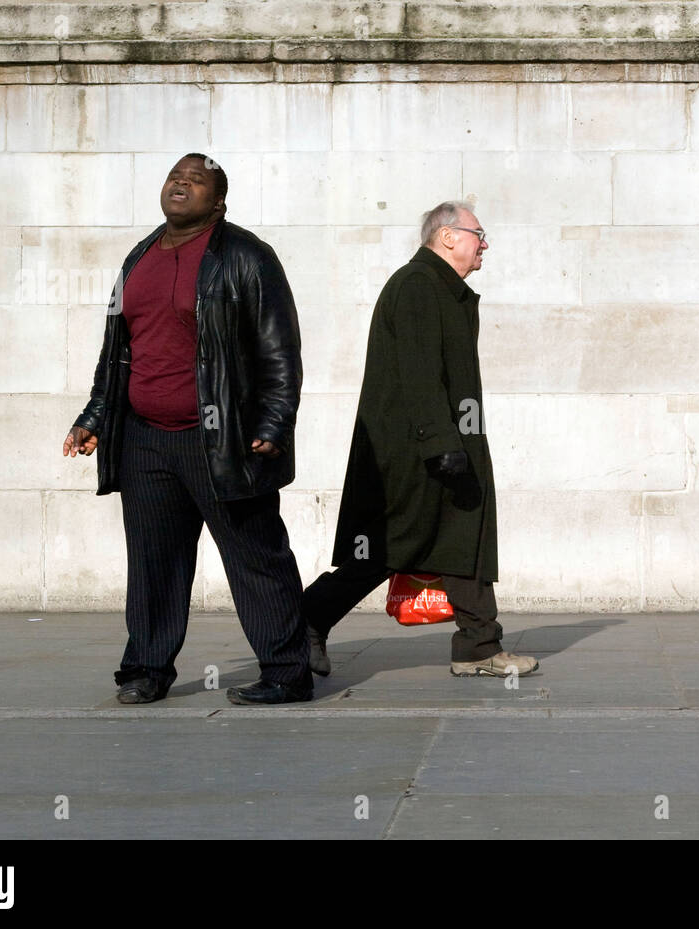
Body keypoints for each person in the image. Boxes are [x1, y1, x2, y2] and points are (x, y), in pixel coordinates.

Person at [62, 153, 313, 704]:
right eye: (176, 176)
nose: (182, 183)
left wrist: (273, 423)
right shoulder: (140, 256)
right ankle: (145, 670)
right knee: (153, 561)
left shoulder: (246, 257)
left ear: (218, 202)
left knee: (255, 558)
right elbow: (119, 352)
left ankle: (287, 671)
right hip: (145, 440)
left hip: (220, 438)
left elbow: (279, 350)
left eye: (196, 180)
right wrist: (95, 416)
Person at [300, 201, 538, 678]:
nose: (484, 244)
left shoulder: (444, 290)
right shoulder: (417, 285)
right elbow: (419, 372)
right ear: (448, 236)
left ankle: (478, 645)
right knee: (389, 547)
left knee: (463, 536)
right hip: (415, 449)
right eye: (478, 233)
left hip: (447, 441)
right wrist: (439, 442)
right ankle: (302, 620)